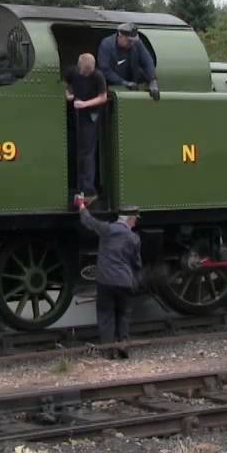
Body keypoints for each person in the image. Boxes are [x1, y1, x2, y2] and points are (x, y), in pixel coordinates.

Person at [78, 202, 142, 359]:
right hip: (124, 282)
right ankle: (123, 346)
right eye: (135, 220)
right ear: (130, 219)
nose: (135, 223)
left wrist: (81, 206)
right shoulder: (134, 238)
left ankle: (108, 350)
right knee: (124, 314)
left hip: (105, 281)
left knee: (106, 314)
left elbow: (88, 220)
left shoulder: (106, 229)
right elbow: (137, 263)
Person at [64, 53, 107, 203]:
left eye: (89, 71)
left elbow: (103, 97)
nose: (86, 74)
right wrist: (68, 93)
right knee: (79, 151)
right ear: (79, 66)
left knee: (87, 153)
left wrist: (85, 104)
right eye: (84, 71)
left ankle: (89, 190)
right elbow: (64, 82)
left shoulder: (98, 76)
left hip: (91, 116)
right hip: (77, 115)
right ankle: (80, 188)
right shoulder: (73, 72)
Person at [98, 22, 160, 101]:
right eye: (129, 41)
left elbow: (147, 61)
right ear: (120, 36)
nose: (132, 43)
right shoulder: (106, 45)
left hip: (133, 82)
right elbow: (105, 70)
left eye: (134, 41)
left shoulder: (136, 43)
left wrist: (152, 80)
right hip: (111, 85)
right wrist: (123, 83)